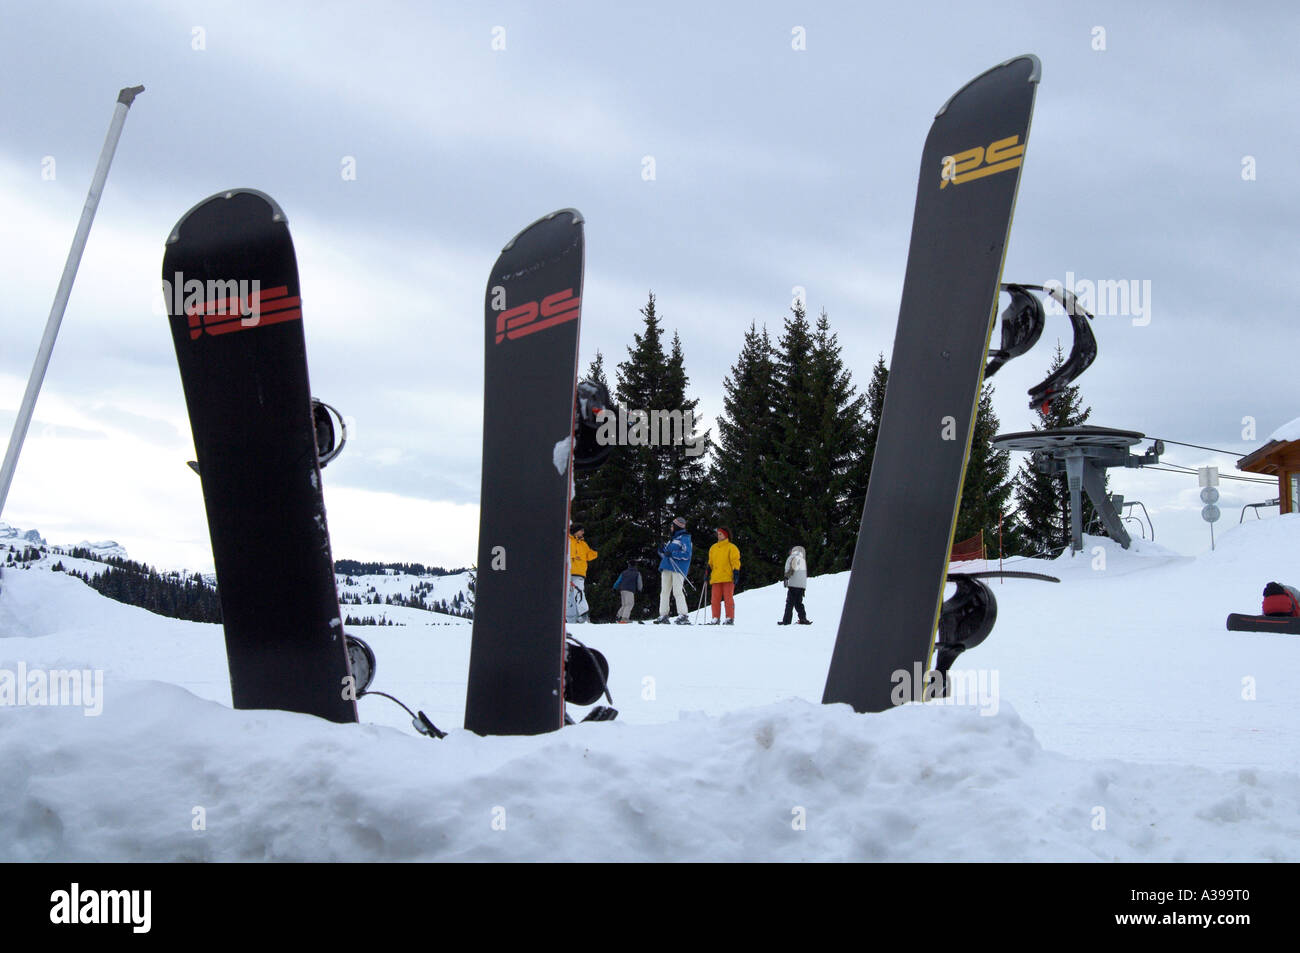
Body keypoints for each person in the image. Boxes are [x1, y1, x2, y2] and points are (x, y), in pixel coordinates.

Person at [655, 517, 693, 624]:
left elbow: (687, 554)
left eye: (672, 526)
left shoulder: (684, 538)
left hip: (678, 568)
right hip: (667, 567)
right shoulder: (672, 539)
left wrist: (673, 554)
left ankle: (683, 615)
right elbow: (665, 555)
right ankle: (663, 615)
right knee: (664, 592)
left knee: (677, 591)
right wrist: (661, 549)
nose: (671, 528)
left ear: (677, 527)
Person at [706, 527, 741, 625]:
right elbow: (711, 562)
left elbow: (735, 560)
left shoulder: (731, 547)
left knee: (728, 598)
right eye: (718, 534)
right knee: (715, 599)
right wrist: (707, 571)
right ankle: (715, 617)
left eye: (720, 534)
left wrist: (736, 571)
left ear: (726, 535)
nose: (718, 535)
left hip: (728, 577)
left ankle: (729, 617)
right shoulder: (713, 548)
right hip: (716, 577)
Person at [567, 524, 597, 623]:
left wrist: (594, 549)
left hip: (579, 573)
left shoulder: (583, 544)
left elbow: (590, 556)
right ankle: (569, 618)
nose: (583, 532)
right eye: (581, 530)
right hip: (567, 572)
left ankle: (583, 615)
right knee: (567, 595)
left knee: (579, 592)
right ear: (575, 531)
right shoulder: (567, 541)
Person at [779, 544, 812, 625]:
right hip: (801, 586)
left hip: (794, 585)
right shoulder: (802, 560)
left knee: (789, 603)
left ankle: (786, 621)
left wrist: (786, 577)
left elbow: (792, 568)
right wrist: (803, 587)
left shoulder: (793, 557)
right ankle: (803, 619)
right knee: (798, 603)